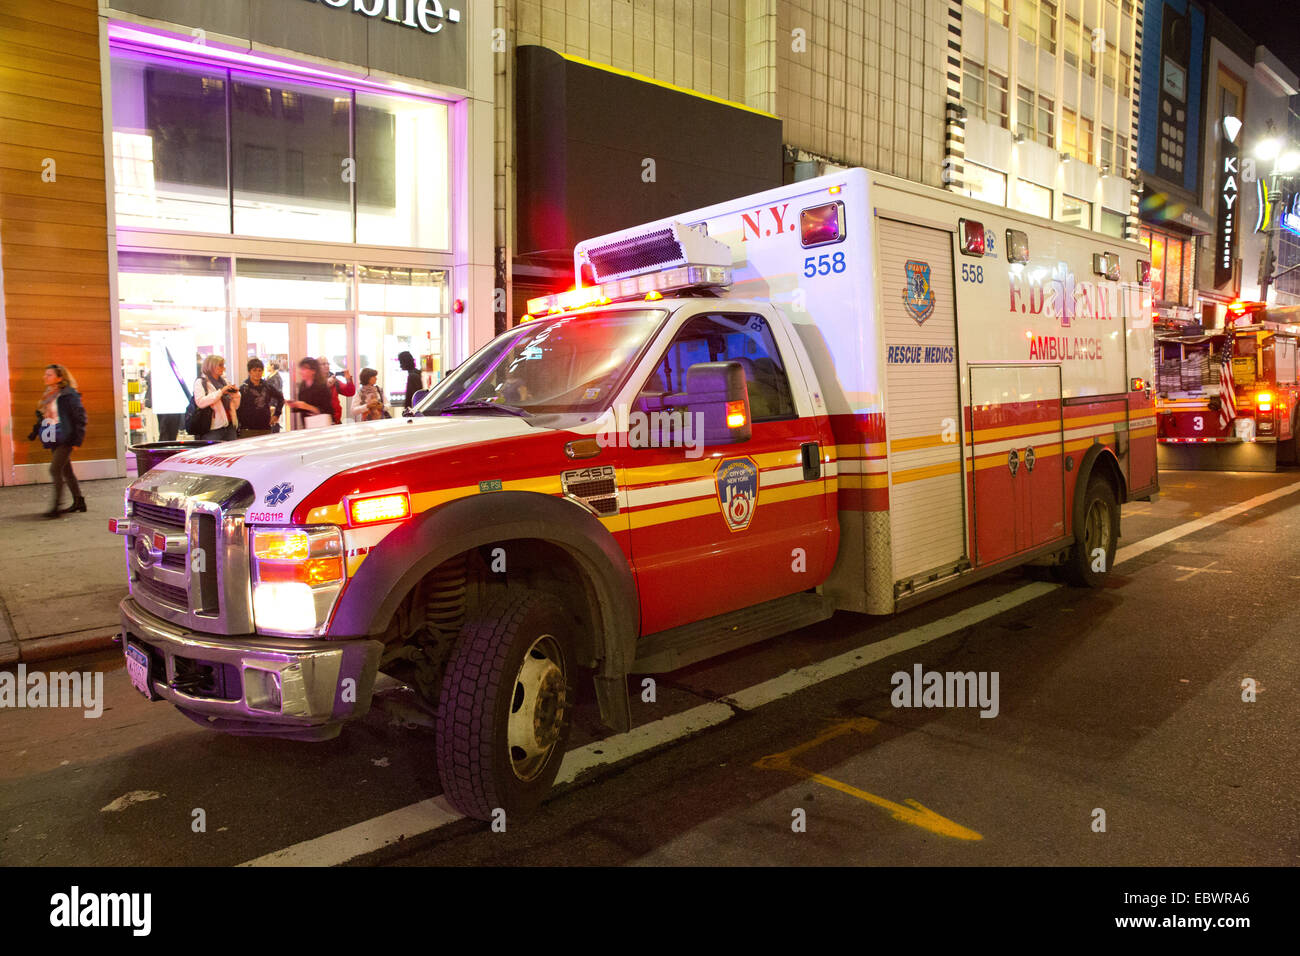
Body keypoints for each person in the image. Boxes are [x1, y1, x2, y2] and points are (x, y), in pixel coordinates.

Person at [30, 364, 87, 518]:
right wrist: (35, 431)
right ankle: (79, 501)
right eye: (45, 374)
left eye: (49, 374)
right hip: (53, 435)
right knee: (66, 470)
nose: (45, 377)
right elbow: (45, 417)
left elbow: (80, 418)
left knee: (54, 469)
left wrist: (77, 440)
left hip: (66, 436)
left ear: (59, 378)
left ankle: (56, 507)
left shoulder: (69, 395)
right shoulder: (49, 394)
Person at [193, 354, 241, 441]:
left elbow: (235, 406)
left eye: (223, 365)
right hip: (212, 428)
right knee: (213, 454)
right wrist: (221, 392)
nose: (223, 368)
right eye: (220, 365)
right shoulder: (201, 382)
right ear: (211, 366)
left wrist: (236, 394)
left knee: (231, 454)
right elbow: (200, 402)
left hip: (230, 425)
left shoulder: (224, 381)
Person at [238, 357, 284, 438]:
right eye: (254, 370)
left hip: (265, 427)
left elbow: (280, 398)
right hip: (247, 429)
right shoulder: (243, 388)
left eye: (260, 370)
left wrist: (277, 414)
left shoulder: (267, 386)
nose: (257, 373)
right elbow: (238, 408)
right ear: (249, 372)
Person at [286, 357, 334, 429]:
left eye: (304, 369)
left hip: (321, 426)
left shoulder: (322, 387)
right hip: (307, 425)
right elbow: (304, 408)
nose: (301, 372)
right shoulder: (303, 386)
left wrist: (307, 406)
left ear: (313, 371)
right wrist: (295, 405)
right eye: (301, 369)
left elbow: (328, 410)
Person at [319, 356, 356, 425]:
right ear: (316, 366)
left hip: (336, 420)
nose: (326, 366)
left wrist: (348, 379)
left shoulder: (334, 380)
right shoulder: (313, 382)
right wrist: (326, 384)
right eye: (323, 364)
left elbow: (350, 392)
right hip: (320, 421)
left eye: (328, 364)